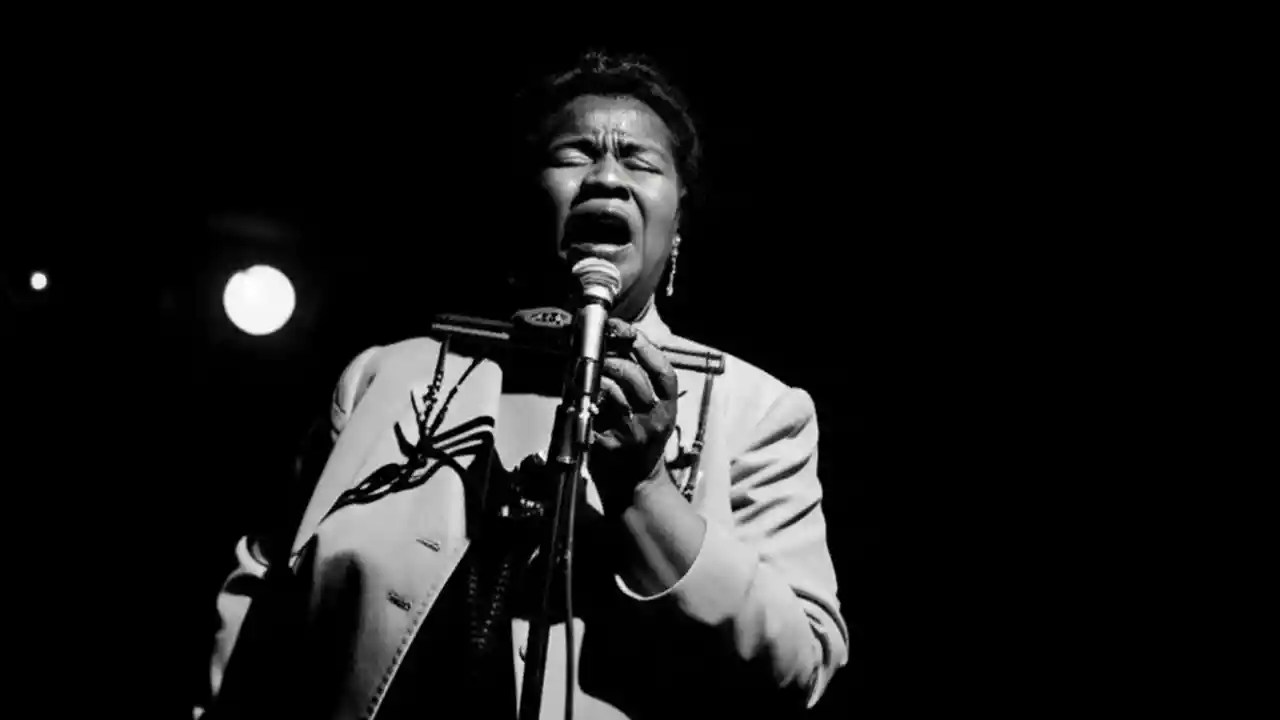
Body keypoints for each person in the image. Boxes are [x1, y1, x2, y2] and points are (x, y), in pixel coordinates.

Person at [196, 50, 849, 720]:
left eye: (640, 161)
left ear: (677, 221)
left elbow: (800, 665)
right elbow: (262, 594)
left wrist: (646, 492)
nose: (606, 177)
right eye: (575, 154)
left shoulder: (757, 407)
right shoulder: (384, 377)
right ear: (525, 196)